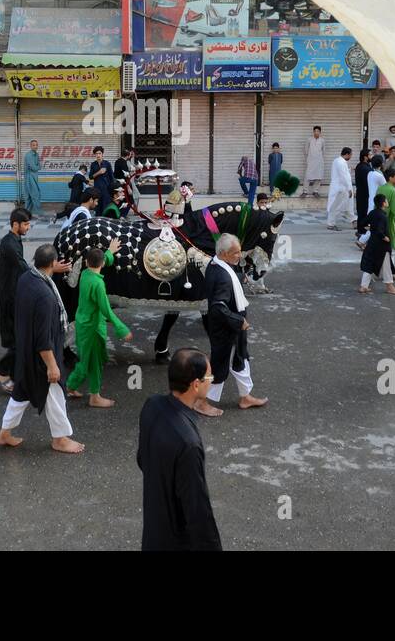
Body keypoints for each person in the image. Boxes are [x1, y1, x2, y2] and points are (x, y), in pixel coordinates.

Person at [0, 244, 84, 454]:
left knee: (21, 394)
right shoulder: (45, 296)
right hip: (40, 357)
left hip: (25, 351)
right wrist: (52, 366)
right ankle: (60, 439)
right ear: (53, 263)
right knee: (55, 394)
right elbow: (43, 339)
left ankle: (4, 433)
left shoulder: (27, 278)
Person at [137, 348, 223, 551]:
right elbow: (197, 510)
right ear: (195, 384)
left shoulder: (151, 405)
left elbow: (142, 458)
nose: (211, 380)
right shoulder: (188, 443)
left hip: (153, 527)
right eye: (208, 376)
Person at [201, 233, 268, 412]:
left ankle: (245, 398)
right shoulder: (221, 276)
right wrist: (238, 321)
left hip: (233, 326)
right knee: (218, 366)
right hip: (225, 328)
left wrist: (239, 278)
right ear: (224, 254)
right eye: (236, 253)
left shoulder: (217, 264)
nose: (240, 255)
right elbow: (217, 306)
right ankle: (201, 402)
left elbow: (227, 279)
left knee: (241, 358)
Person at [66, 242, 132, 407]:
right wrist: (122, 328)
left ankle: (71, 386)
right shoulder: (98, 284)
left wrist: (109, 252)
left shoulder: (85, 274)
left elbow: (99, 261)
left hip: (83, 325)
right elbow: (106, 310)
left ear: (87, 263)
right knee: (92, 362)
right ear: (102, 264)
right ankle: (93, 396)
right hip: (93, 328)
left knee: (88, 360)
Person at [0, 208, 32, 392]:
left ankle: (16, 373)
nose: (28, 227)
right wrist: (48, 270)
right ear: (15, 224)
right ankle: (1, 371)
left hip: (15, 293)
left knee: (20, 337)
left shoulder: (15, 240)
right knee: (18, 339)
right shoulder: (9, 244)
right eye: (25, 224)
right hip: (10, 297)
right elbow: (23, 267)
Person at [359, 194, 395, 295]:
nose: (387, 202)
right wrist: (384, 237)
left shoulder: (373, 212)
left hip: (372, 243)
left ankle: (363, 286)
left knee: (370, 264)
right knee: (386, 265)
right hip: (382, 245)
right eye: (386, 200)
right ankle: (390, 287)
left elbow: (363, 223)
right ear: (383, 203)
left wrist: (370, 228)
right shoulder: (383, 216)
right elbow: (379, 230)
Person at [326, 146, 354, 229]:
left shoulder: (337, 161)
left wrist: (350, 170)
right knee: (336, 207)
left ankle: (353, 220)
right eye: (351, 155)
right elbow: (344, 176)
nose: (351, 157)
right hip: (340, 189)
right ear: (347, 154)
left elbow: (343, 173)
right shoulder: (341, 163)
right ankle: (331, 224)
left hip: (340, 187)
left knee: (344, 206)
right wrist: (349, 189)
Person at [381, 168, 395, 257]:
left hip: (380, 221)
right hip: (389, 223)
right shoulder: (392, 190)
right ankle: (389, 270)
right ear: (390, 178)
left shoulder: (381, 188)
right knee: (392, 250)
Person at [89, 146, 114, 212]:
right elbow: (90, 176)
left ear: (102, 154)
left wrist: (112, 188)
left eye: (99, 153)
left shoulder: (107, 164)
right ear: (95, 155)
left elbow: (111, 176)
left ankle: (105, 219)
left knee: (106, 204)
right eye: (96, 154)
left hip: (106, 187)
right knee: (98, 204)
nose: (98, 155)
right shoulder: (93, 164)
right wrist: (99, 172)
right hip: (97, 188)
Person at [354, 149, 372, 233]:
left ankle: (360, 231)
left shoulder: (361, 166)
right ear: (365, 157)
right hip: (364, 194)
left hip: (361, 193)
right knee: (363, 213)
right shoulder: (365, 168)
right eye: (370, 155)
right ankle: (362, 232)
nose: (371, 156)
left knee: (361, 213)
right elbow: (367, 183)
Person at [303, 126, 325, 197]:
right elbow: (306, 150)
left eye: (318, 131)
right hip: (310, 160)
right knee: (308, 175)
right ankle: (305, 191)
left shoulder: (322, 140)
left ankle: (315, 191)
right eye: (315, 131)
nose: (316, 132)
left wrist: (319, 158)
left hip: (319, 161)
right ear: (313, 132)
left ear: (320, 132)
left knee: (318, 176)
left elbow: (323, 151)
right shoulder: (309, 140)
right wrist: (309, 158)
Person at [23, 140, 43, 214]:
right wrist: (38, 167)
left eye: (36, 145)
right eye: (34, 145)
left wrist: (37, 166)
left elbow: (37, 166)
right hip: (29, 179)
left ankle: (26, 214)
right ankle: (40, 214)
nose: (35, 146)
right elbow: (35, 167)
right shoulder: (29, 155)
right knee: (35, 195)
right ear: (31, 146)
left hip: (34, 178)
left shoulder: (36, 154)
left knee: (30, 198)